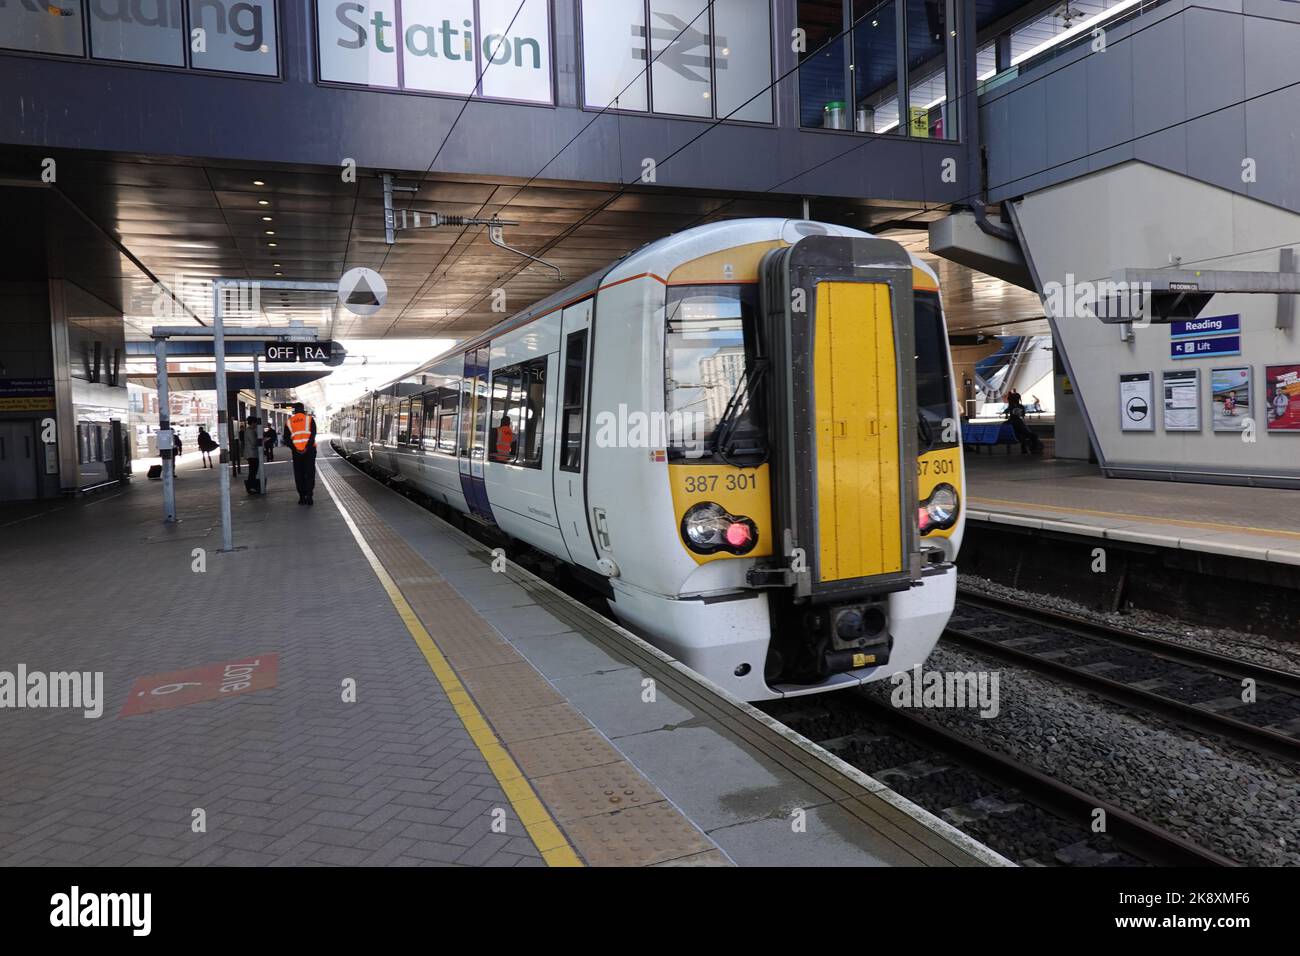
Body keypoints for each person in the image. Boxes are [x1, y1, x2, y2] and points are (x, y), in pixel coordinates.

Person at [284, 402, 317, 505]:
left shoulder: (289, 422)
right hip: (310, 451)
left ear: (294, 411)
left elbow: (286, 439)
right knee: (310, 473)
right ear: (303, 410)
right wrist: (306, 447)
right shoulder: (310, 419)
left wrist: (296, 449)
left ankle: (302, 497)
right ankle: (309, 496)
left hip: (297, 453)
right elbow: (313, 435)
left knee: (299, 474)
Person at [241, 415, 263, 494]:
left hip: (252, 454)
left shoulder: (249, 430)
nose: (256, 425)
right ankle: (251, 487)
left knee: (253, 471)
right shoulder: (250, 431)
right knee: (253, 471)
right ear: (253, 423)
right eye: (255, 423)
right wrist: (261, 441)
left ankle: (251, 487)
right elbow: (253, 442)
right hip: (252, 454)